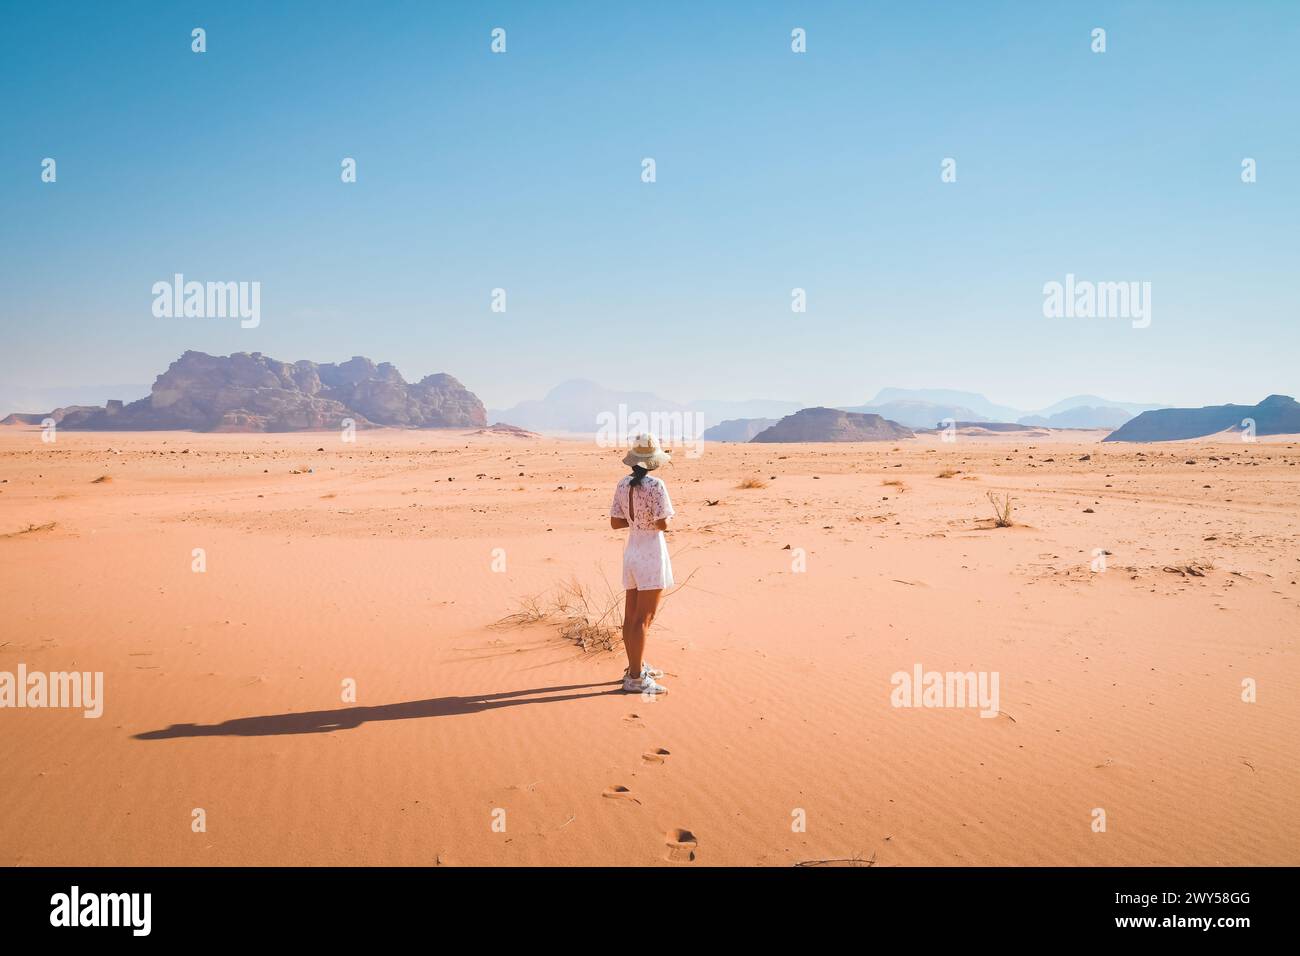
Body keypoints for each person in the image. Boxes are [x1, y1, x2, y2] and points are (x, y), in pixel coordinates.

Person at [608, 433, 675, 695]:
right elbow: (663, 523)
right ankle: (636, 678)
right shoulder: (656, 486)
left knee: (631, 616)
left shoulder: (623, 485)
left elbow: (615, 522)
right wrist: (649, 521)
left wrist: (636, 522)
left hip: (632, 550)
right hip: (651, 551)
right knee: (644, 619)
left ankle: (634, 666)